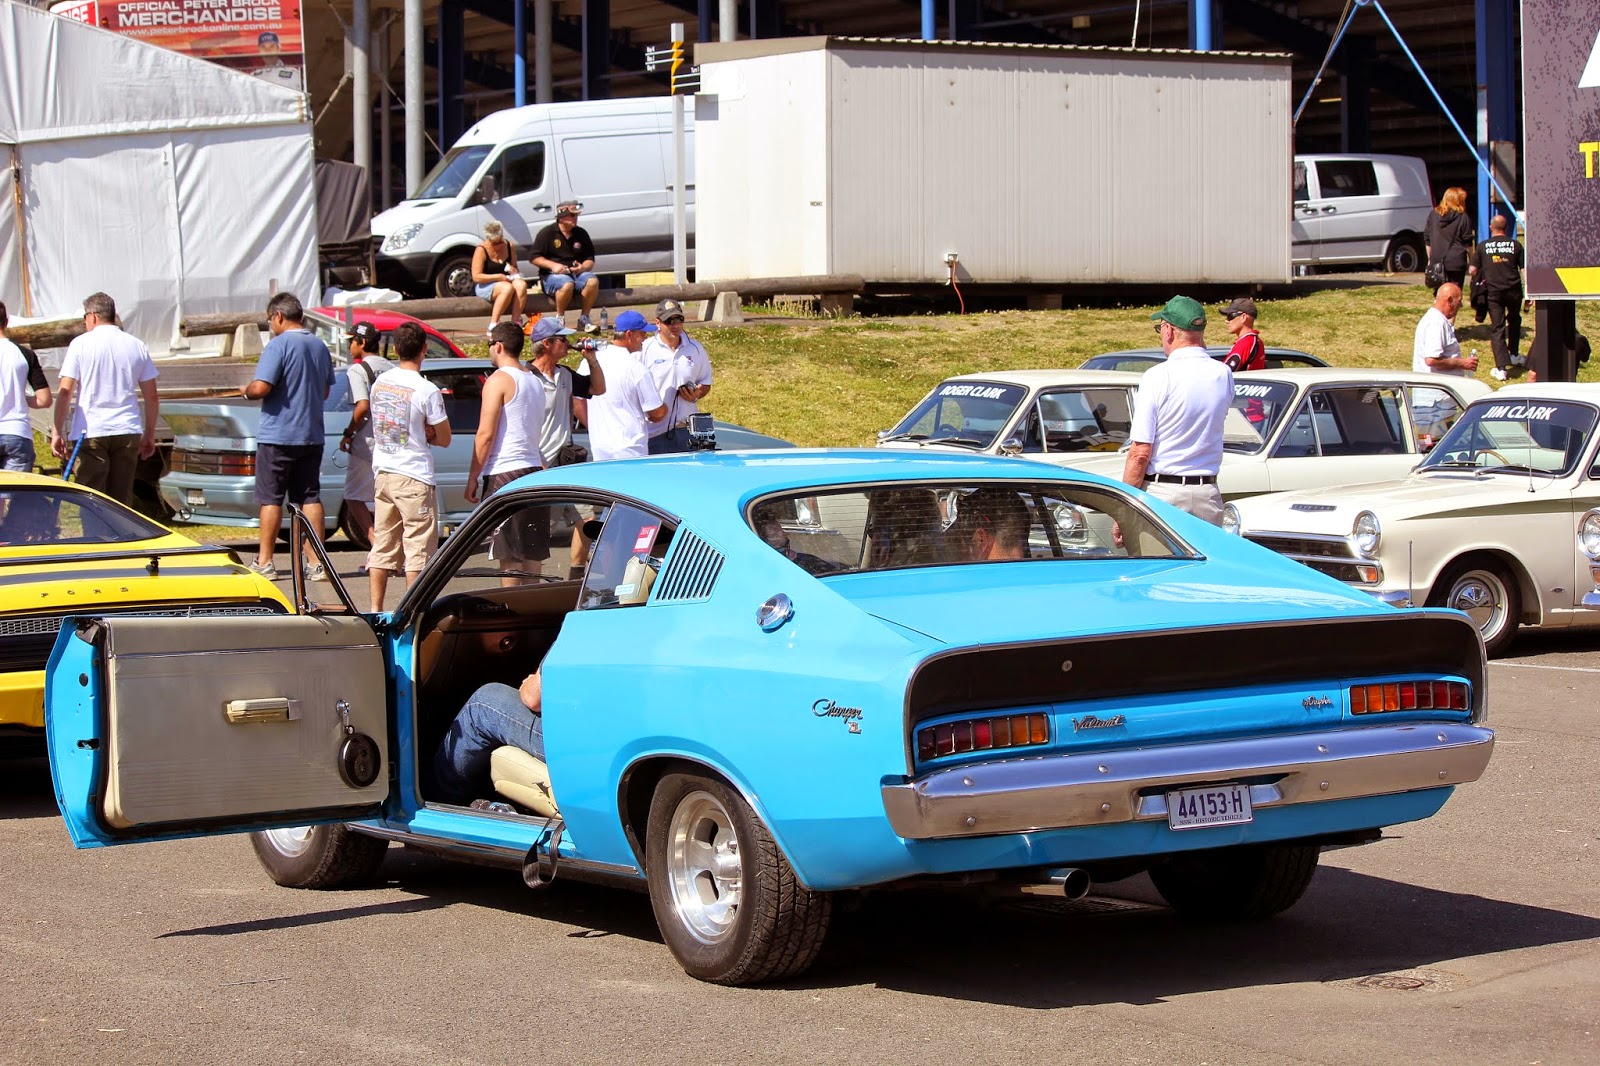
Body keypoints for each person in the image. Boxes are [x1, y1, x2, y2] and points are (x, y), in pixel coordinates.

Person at [242, 292, 336, 580]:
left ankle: (265, 561)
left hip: (278, 435)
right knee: (309, 497)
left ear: (278, 316)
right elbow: (325, 391)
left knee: (270, 498)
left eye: (270, 320)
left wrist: (246, 391)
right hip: (311, 434)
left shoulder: (278, 345)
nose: (271, 325)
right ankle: (316, 563)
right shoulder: (319, 345)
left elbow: (262, 387)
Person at [1122, 295, 1233, 526]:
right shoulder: (1222, 374)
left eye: (1160, 329)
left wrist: (1123, 513)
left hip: (1164, 493)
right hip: (1207, 492)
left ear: (1169, 330)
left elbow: (1140, 452)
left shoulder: (1157, 376)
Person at [368, 322, 452, 609]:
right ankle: (413, 613)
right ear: (424, 349)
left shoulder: (381, 383)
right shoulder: (426, 389)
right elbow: (445, 438)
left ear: (395, 349)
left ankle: (375, 609)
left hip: (384, 470)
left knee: (382, 545)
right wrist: (428, 432)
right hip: (414, 474)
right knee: (418, 549)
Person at [50, 292, 158, 507]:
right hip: (127, 428)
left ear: (92, 316)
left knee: (92, 497)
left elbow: (65, 391)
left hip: (91, 429)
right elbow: (152, 396)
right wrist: (149, 433)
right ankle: (120, 529)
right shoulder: (136, 345)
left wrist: (57, 431)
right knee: (121, 500)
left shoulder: (80, 344)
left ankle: (95, 529)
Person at [526, 317, 607, 576]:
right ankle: (530, 582)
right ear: (547, 344)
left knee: (588, 521)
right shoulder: (527, 377)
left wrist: (592, 359)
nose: (568, 343)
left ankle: (576, 576)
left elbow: (598, 389)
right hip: (542, 465)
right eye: (562, 339)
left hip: (567, 463)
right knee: (540, 530)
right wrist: (537, 461)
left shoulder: (565, 374)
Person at [430, 671, 545, 807]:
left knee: (482, 705)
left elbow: (533, 698)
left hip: (562, 739)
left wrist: (531, 682)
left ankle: (442, 803)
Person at [466, 322, 545, 502]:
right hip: (533, 469)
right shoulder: (535, 381)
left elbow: (486, 435)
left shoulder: (499, 380)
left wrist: (473, 477)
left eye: (489, 344)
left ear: (498, 346)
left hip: (505, 471)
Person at [337, 321, 394, 556]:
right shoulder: (391, 367)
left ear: (361, 343)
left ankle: (376, 544)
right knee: (387, 498)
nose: (349, 346)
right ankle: (390, 549)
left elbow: (362, 405)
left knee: (353, 496)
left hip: (366, 444)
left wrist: (348, 433)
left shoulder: (357, 370)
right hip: (391, 442)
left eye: (352, 341)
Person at [586, 310, 668, 461]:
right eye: (642, 333)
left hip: (599, 447)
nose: (645, 337)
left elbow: (577, 401)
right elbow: (657, 413)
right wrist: (665, 408)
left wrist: (592, 425)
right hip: (631, 450)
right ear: (629, 334)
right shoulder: (636, 369)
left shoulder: (591, 361)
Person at [640, 299, 713, 454]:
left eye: (679, 320)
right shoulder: (645, 349)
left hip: (687, 429)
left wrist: (697, 393)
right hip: (655, 431)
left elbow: (706, 382)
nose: (675, 325)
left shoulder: (696, 348)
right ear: (658, 323)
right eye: (669, 321)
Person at [1471, 215, 1527, 381]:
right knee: (1515, 319)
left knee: (1498, 327)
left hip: (1494, 292)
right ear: (1507, 227)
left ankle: (1501, 368)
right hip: (1514, 290)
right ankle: (1514, 354)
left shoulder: (1482, 246)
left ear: (1491, 227)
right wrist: (1529, 292)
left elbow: (1473, 269)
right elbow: (1524, 270)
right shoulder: (1516, 245)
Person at [529, 201, 600, 333]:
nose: (575, 218)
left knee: (592, 280)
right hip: (551, 276)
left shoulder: (581, 233)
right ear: (561, 218)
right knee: (566, 283)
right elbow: (534, 257)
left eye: (576, 215)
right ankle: (560, 319)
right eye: (572, 216)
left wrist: (582, 268)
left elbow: (590, 260)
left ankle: (584, 318)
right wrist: (553, 265)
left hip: (576, 275)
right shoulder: (547, 233)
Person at [0, 302, 52, 473]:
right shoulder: (24, 354)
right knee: (16, 490)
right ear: (6, 321)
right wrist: (20, 398)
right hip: (17, 431)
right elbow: (44, 400)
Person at [1412, 283, 1478, 378]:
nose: (1460, 306)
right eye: (1459, 301)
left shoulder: (1436, 319)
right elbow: (1431, 360)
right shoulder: (1436, 322)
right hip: (1436, 385)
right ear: (1449, 301)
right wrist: (1462, 363)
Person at [471, 221, 527, 333]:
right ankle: (493, 324)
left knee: (521, 285)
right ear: (489, 240)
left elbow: (515, 267)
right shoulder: (481, 249)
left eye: (500, 242)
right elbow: (476, 277)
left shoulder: (509, 246)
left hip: (506, 280)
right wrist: (497, 277)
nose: (498, 246)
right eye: (494, 244)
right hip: (486, 284)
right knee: (507, 288)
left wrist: (513, 270)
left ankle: (515, 322)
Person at [947, 486, 1029, 561]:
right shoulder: (1034, 568)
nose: (960, 553)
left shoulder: (964, 572)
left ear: (980, 540)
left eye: (960, 543)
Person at [1424, 186, 1474, 290]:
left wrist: (1430, 259)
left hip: (1437, 260)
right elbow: (1467, 241)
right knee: (1455, 292)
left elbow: (1427, 239)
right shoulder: (1463, 217)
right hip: (1456, 261)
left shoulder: (1433, 215)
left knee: (1439, 293)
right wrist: (1472, 261)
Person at [1219, 297, 1265, 372]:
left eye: (1230, 316)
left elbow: (1226, 372)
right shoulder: (1255, 340)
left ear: (1243, 317)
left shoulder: (1246, 342)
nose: (1226, 321)